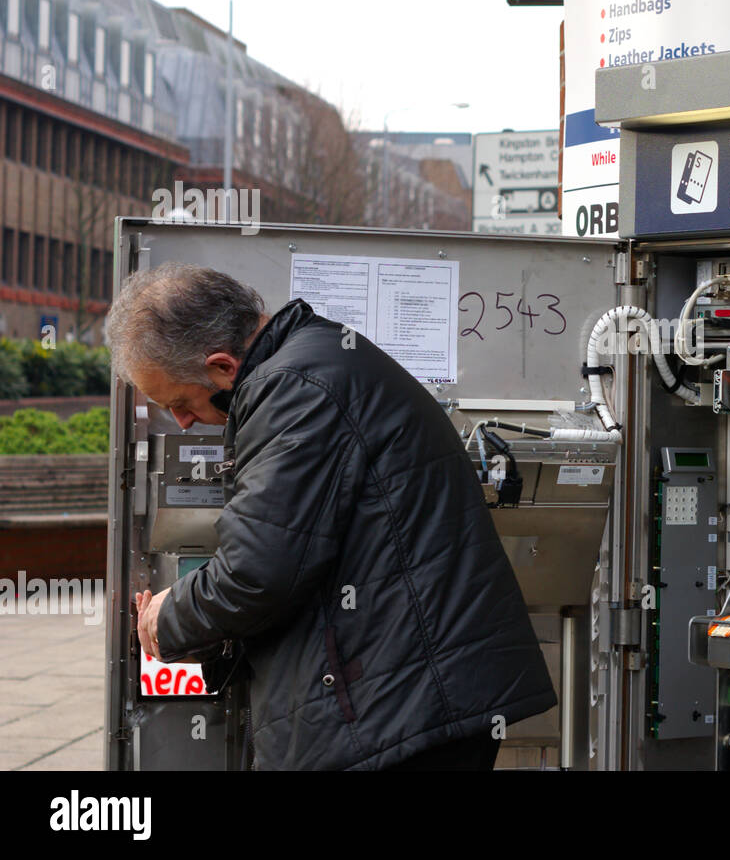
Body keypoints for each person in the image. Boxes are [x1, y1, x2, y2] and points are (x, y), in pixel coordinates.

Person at [108, 263, 556, 770]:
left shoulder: (293, 389)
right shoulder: (320, 363)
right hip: (413, 698)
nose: (183, 423)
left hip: (403, 711)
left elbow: (257, 571)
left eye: (180, 403)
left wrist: (166, 617)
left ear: (222, 367)